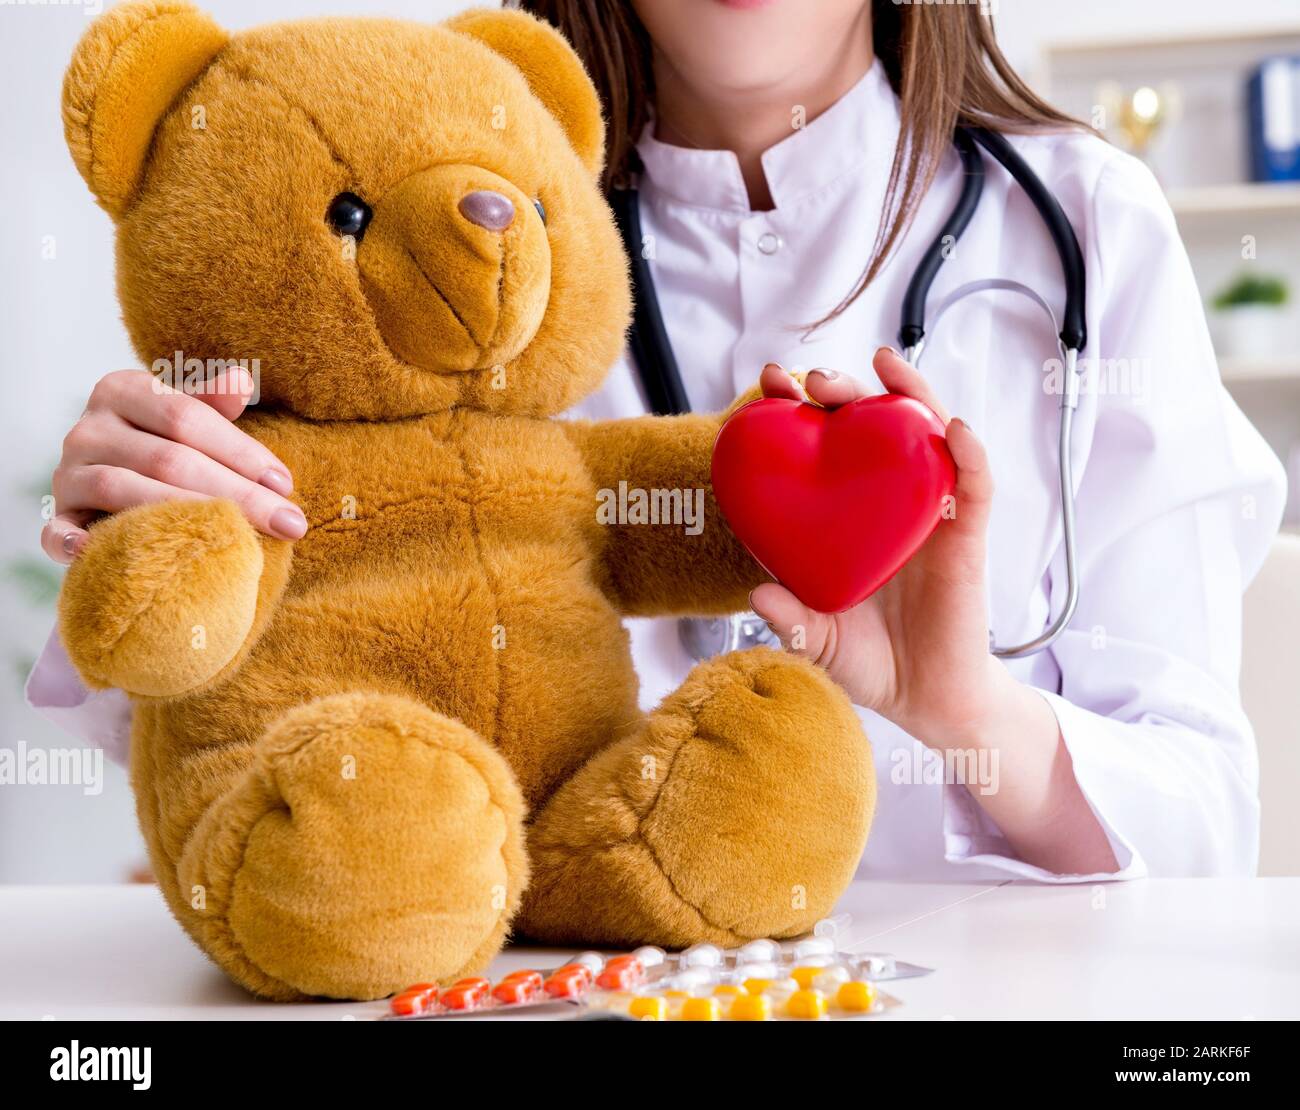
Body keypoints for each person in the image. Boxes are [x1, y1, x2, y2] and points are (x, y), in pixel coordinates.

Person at [30, 0, 1285, 881]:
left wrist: (962, 709)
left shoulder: (1081, 227)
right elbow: (228, 746)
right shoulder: (431, 238)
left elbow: (1206, 824)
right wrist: (145, 529)